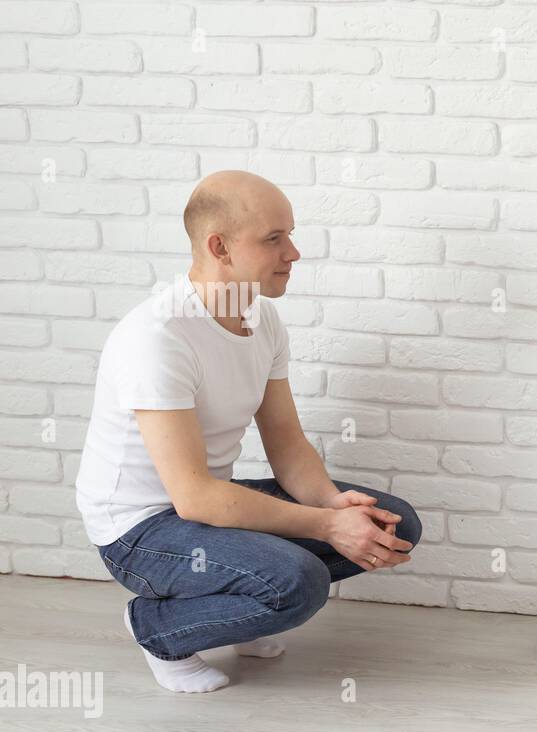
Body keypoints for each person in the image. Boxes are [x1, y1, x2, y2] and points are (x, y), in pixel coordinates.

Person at [75, 171, 421, 694]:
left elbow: (286, 443)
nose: (295, 253)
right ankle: (157, 628)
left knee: (394, 524)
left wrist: (332, 504)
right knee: (297, 582)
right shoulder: (158, 339)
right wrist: (326, 528)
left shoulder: (261, 321)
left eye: (290, 234)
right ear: (220, 247)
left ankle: (249, 609)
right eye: (274, 239)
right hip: (139, 529)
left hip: (204, 507)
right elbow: (193, 497)